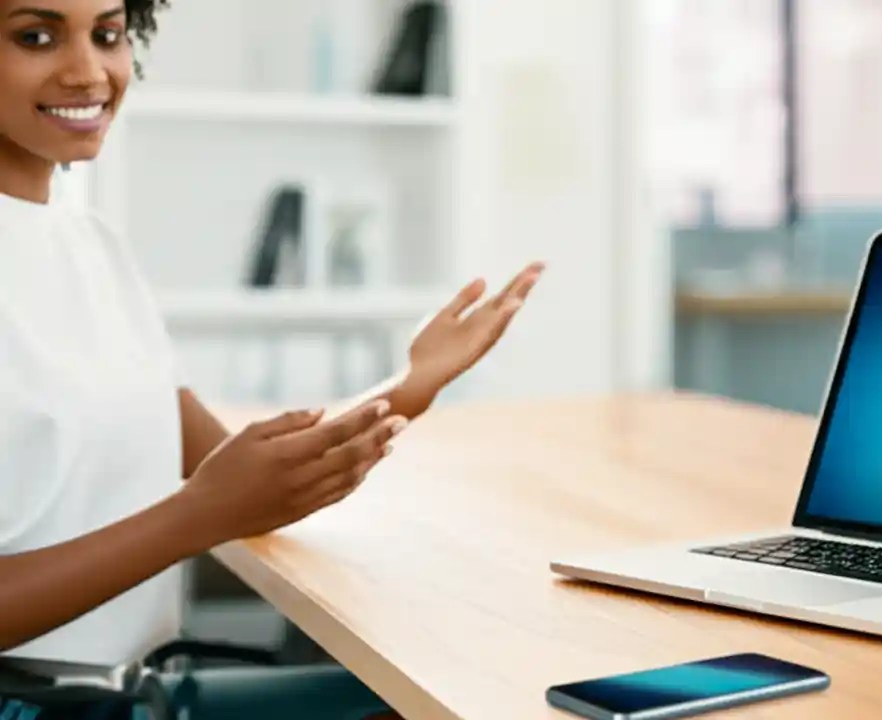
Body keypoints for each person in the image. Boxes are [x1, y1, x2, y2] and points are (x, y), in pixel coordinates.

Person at [0, 0, 544, 717]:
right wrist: (195, 518)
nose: (88, 71)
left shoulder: (95, 248)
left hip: (136, 692)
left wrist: (411, 385)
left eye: (107, 35)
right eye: (35, 37)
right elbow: (211, 498)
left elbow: (235, 472)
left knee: (490, 691)